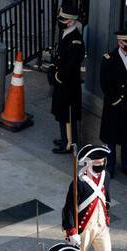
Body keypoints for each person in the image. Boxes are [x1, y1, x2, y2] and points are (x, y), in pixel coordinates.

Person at [64, 143, 114, 251]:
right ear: (88, 162)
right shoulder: (79, 182)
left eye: (102, 162)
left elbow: (107, 197)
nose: (100, 165)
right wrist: (72, 232)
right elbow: (69, 208)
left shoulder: (106, 176)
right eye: (97, 162)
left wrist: (107, 218)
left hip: (101, 225)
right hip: (83, 227)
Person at [98, 27, 127, 178]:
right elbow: (105, 83)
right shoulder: (109, 59)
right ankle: (110, 166)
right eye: (126, 42)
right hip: (113, 105)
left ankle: (126, 165)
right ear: (119, 42)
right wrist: (117, 101)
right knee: (111, 138)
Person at [49, 8, 84, 154]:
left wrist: (57, 76)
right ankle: (64, 138)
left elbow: (71, 65)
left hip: (68, 85)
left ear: (72, 21)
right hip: (62, 83)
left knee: (68, 115)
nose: (61, 23)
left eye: (64, 20)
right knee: (61, 113)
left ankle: (69, 143)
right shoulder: (66, 33)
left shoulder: (75, 41)